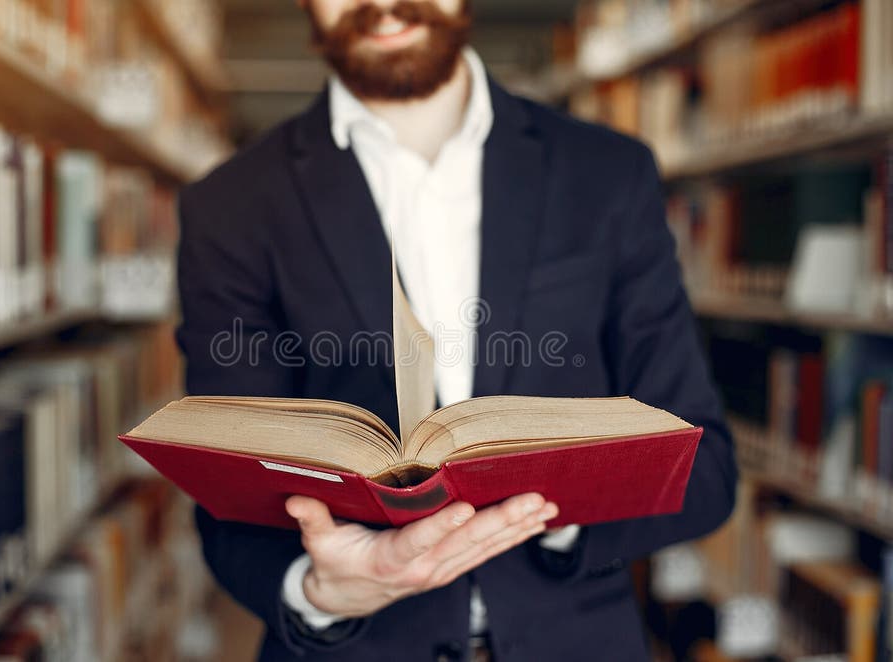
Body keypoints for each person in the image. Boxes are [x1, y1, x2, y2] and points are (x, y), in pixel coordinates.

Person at [176, 0, 738, 660]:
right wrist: (319, 590)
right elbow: (228, 491)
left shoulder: (608, 174)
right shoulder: (229, 206)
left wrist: (555, 511)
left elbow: (705, 465)